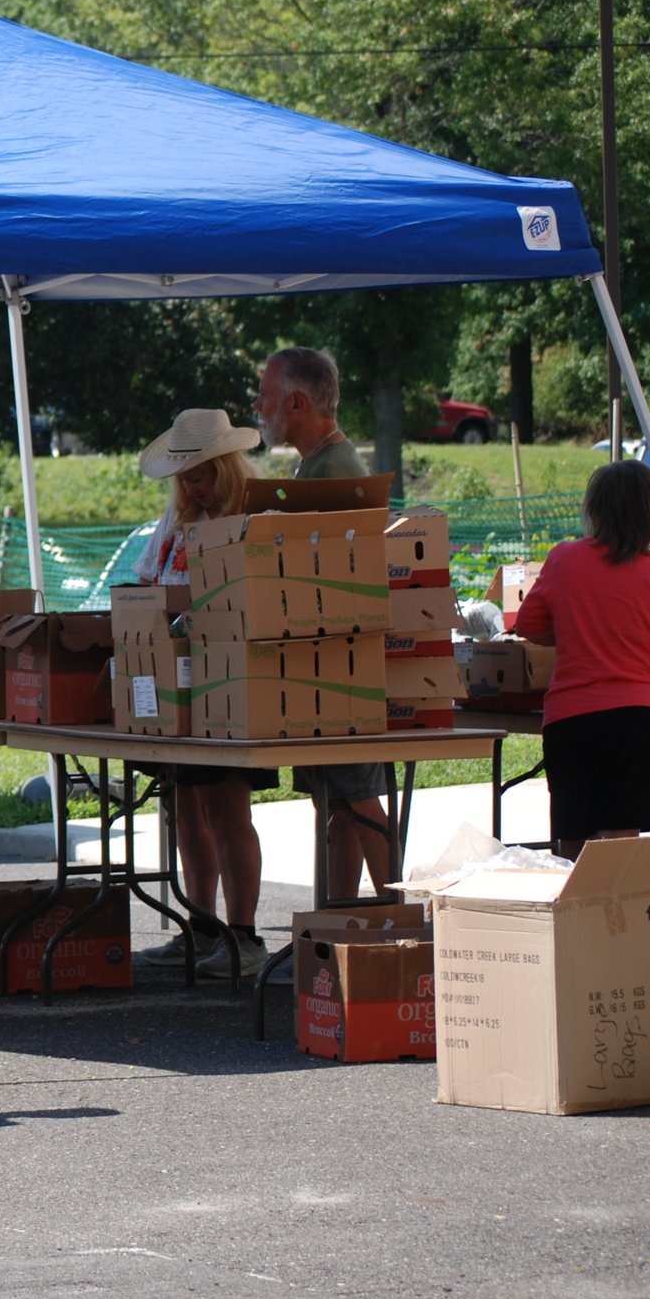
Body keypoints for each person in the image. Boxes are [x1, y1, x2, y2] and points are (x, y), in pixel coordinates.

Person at [131, 409, 275, 979]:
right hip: (176, 677)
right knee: (184, 809)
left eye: (201, 475)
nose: (191, 486)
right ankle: (202, 925)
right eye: (184, 477)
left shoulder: (251, 513)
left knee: (225, 809)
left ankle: (243, 934)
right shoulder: (179, 515)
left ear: (226, 467)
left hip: (228, 677)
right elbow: (149, 582)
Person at [255, 345, 393, 902]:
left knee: (356, 799)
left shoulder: (333, 470)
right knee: (337, 803)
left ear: (295, 402)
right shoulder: (319, 464)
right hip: (325, 664)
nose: (258, 407)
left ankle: (396, 916)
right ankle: (341, 919)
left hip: (339, 666)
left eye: (265, 396)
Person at [510, 460, 650, 858]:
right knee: (619, 843)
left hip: (570, 720)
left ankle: (575, 918)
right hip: (636, 718)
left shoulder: (563, 559)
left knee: (572, 839)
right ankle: (616, 919)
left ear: (595, 510)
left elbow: (526, 625)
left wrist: (572, 634)